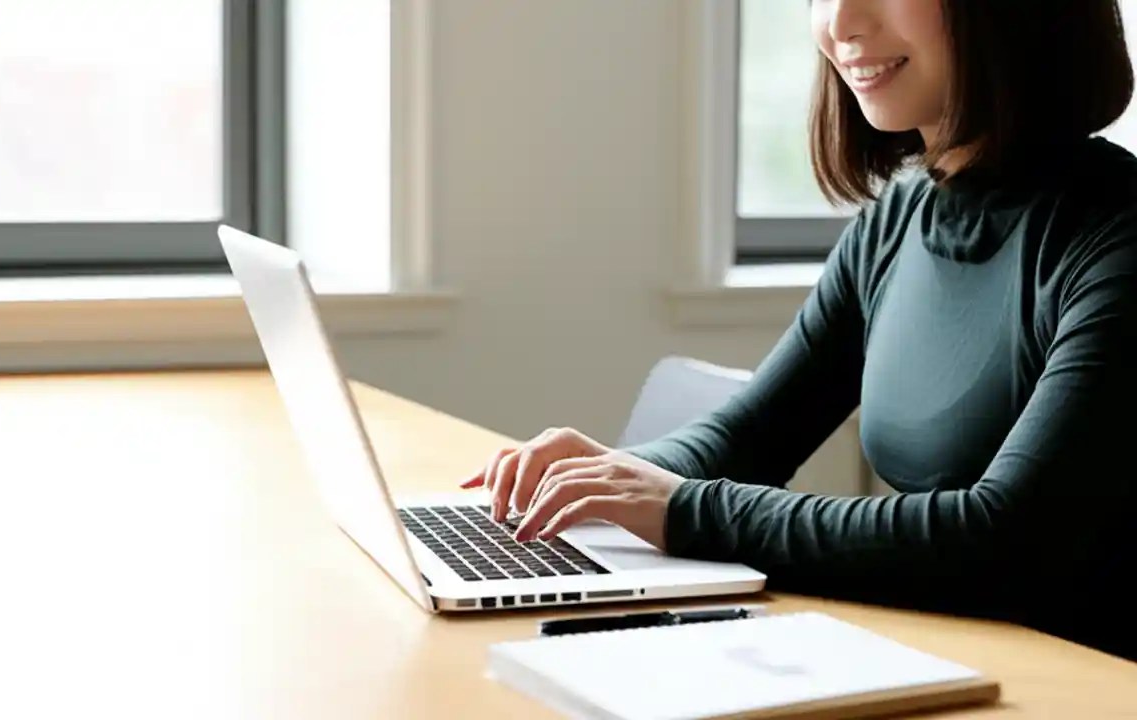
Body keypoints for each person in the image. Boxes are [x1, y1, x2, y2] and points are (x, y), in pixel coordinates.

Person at [462, 0, 1137, 662]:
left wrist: (680, 507)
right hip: (958, 656)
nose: (840, 23)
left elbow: (1004, 540)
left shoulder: (1117, 236)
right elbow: (750, 435)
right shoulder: (893, 223)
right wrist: (601, 481)